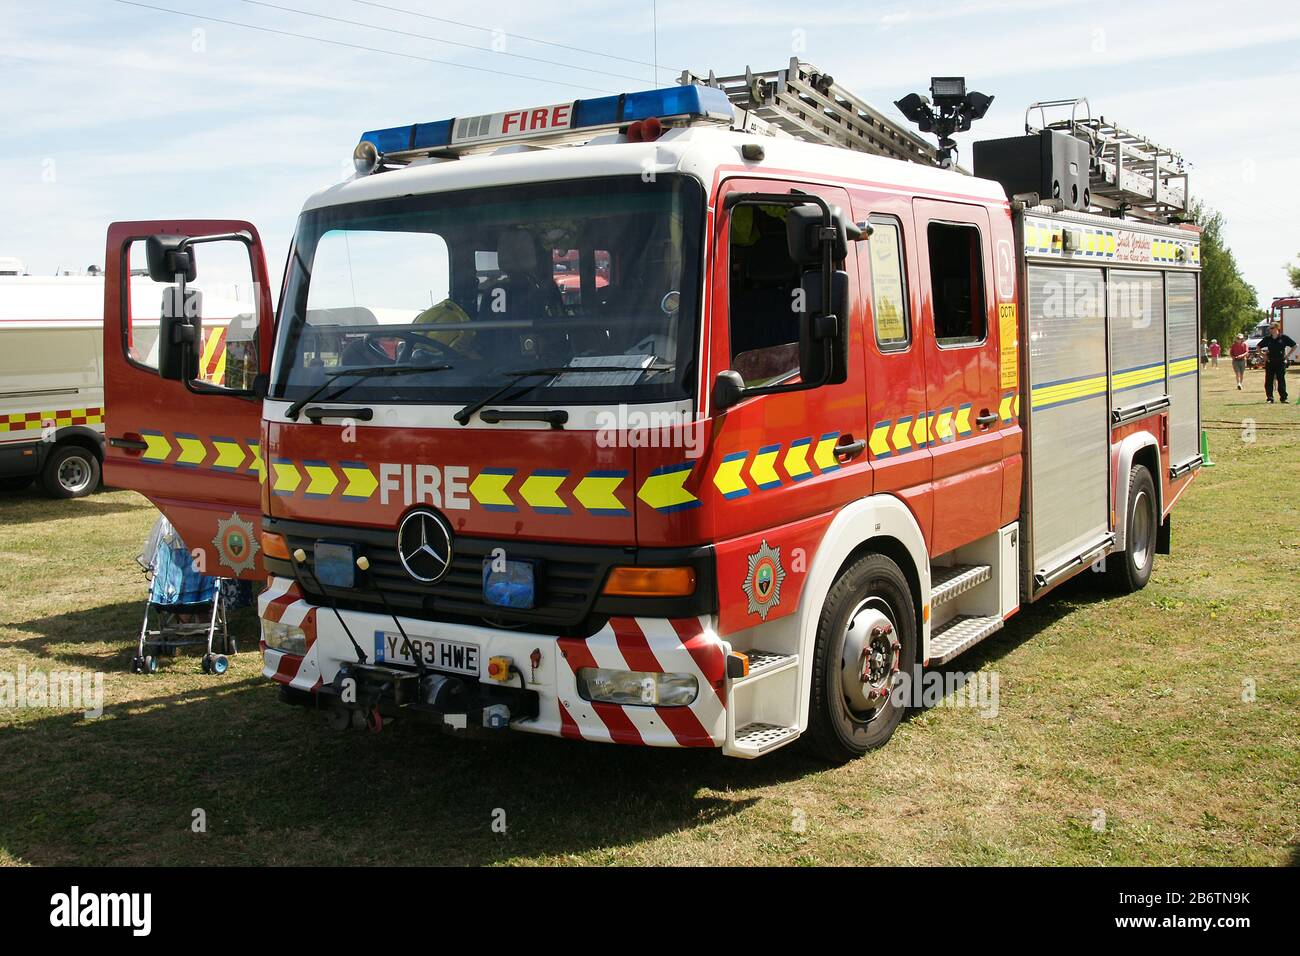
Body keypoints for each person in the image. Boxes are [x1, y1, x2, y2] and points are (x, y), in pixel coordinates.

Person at [1256, 323, 1296, 403]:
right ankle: (1270, 398)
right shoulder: (1268, 339)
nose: (1270, 330)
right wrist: (1263, 355)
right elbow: (1258, 346)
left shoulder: (1284, 338)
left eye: (1272, 328)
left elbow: (1294, 345)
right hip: (1270, 361)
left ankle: (1283, 398)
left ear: (1277, 328)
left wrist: (1288, 355)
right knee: (1269, 380)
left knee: (1281, 380)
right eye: (1269, 328)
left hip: (1280, 361)